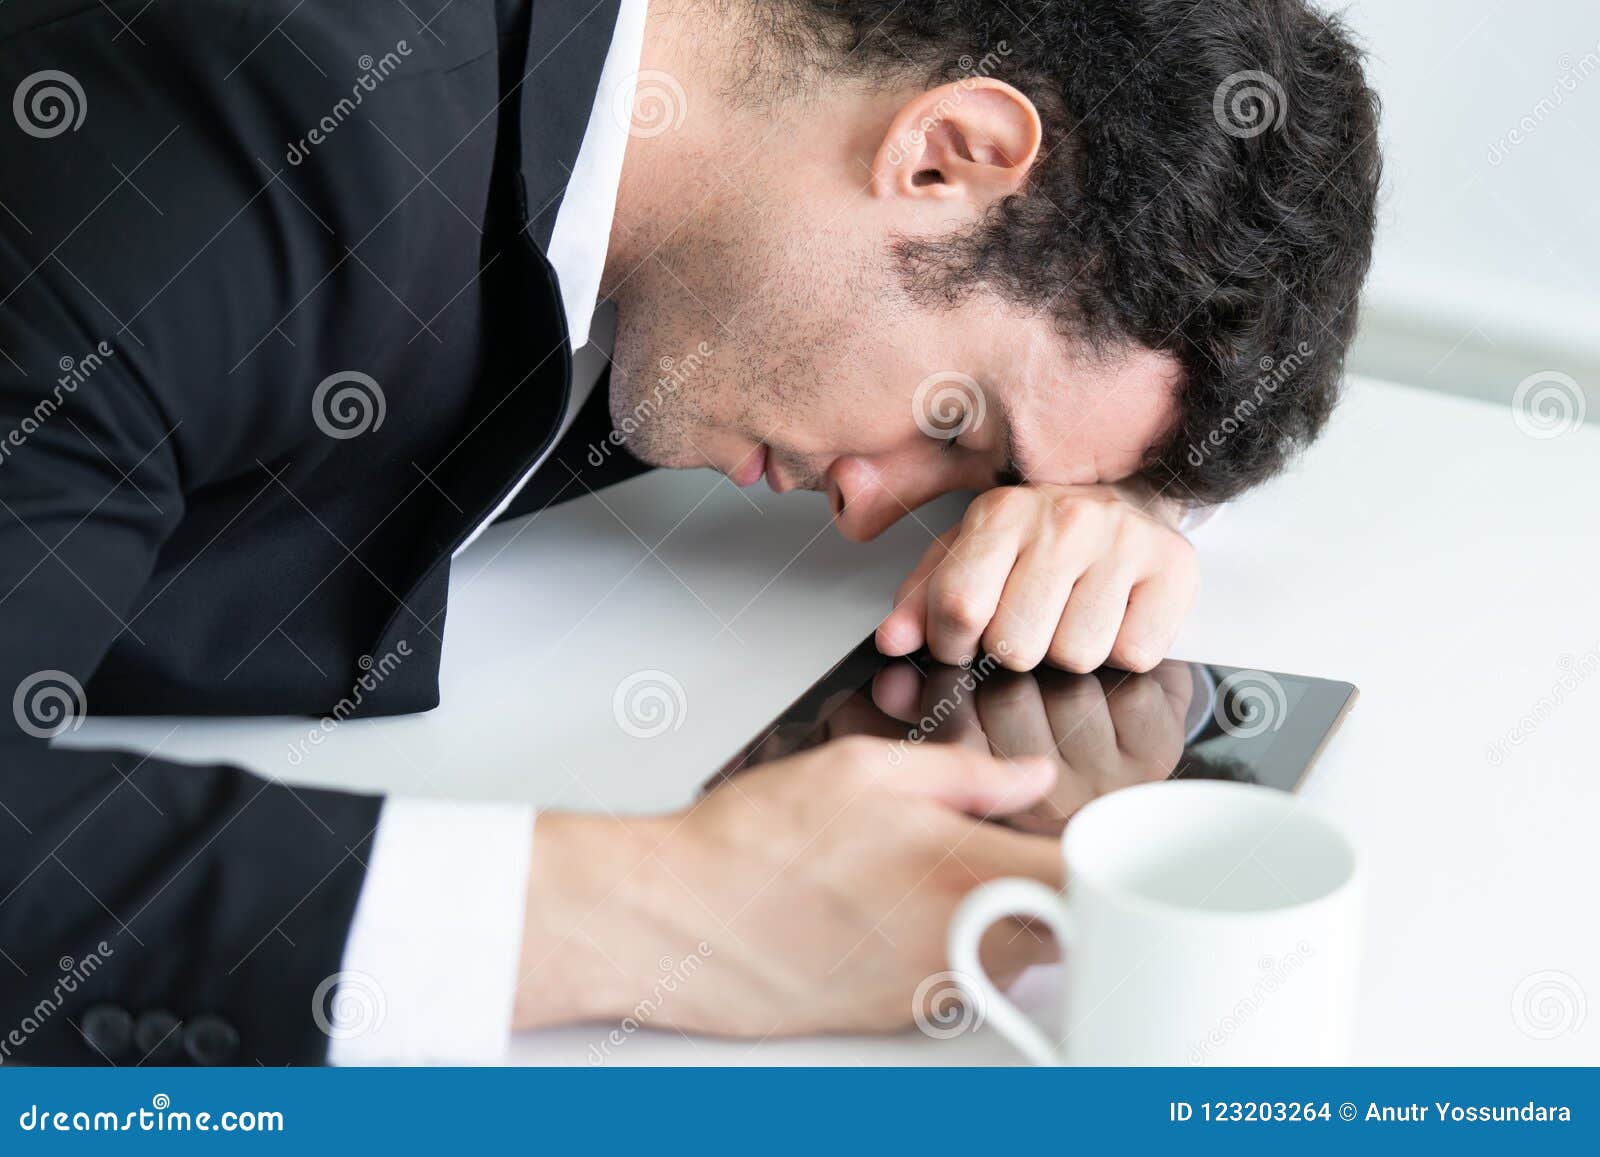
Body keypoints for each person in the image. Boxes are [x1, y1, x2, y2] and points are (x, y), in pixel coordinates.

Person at [0, 0, 1379, 1063]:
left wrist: (1112, 496)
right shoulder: (268, 112)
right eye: (961, 431)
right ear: (944, 156)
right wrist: (664, 908)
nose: (873, 510)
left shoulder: (694, 212)